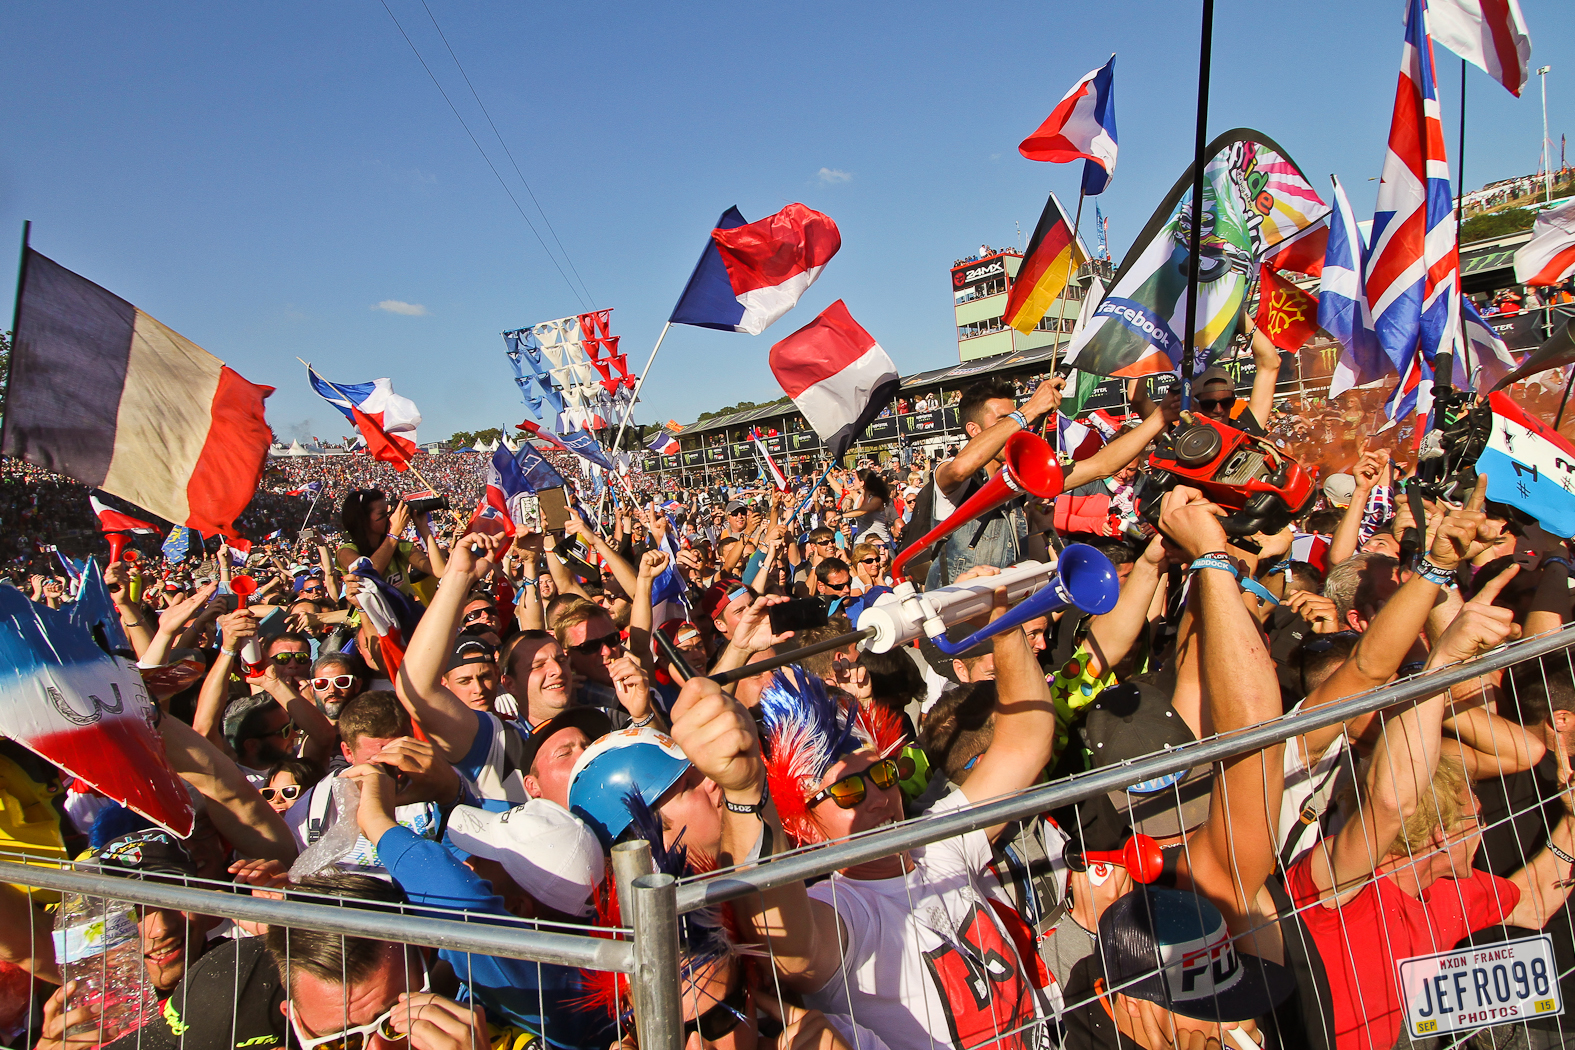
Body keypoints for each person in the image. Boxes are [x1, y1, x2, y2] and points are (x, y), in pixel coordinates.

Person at [335, 489, 446, 603]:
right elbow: (368, 575)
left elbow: (440, 571)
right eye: (383, 514)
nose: (390, 518)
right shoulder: (346, 552)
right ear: (363, 520)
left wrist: (424, 529)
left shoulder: (399, 547)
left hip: (401, 616)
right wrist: (394, 532)